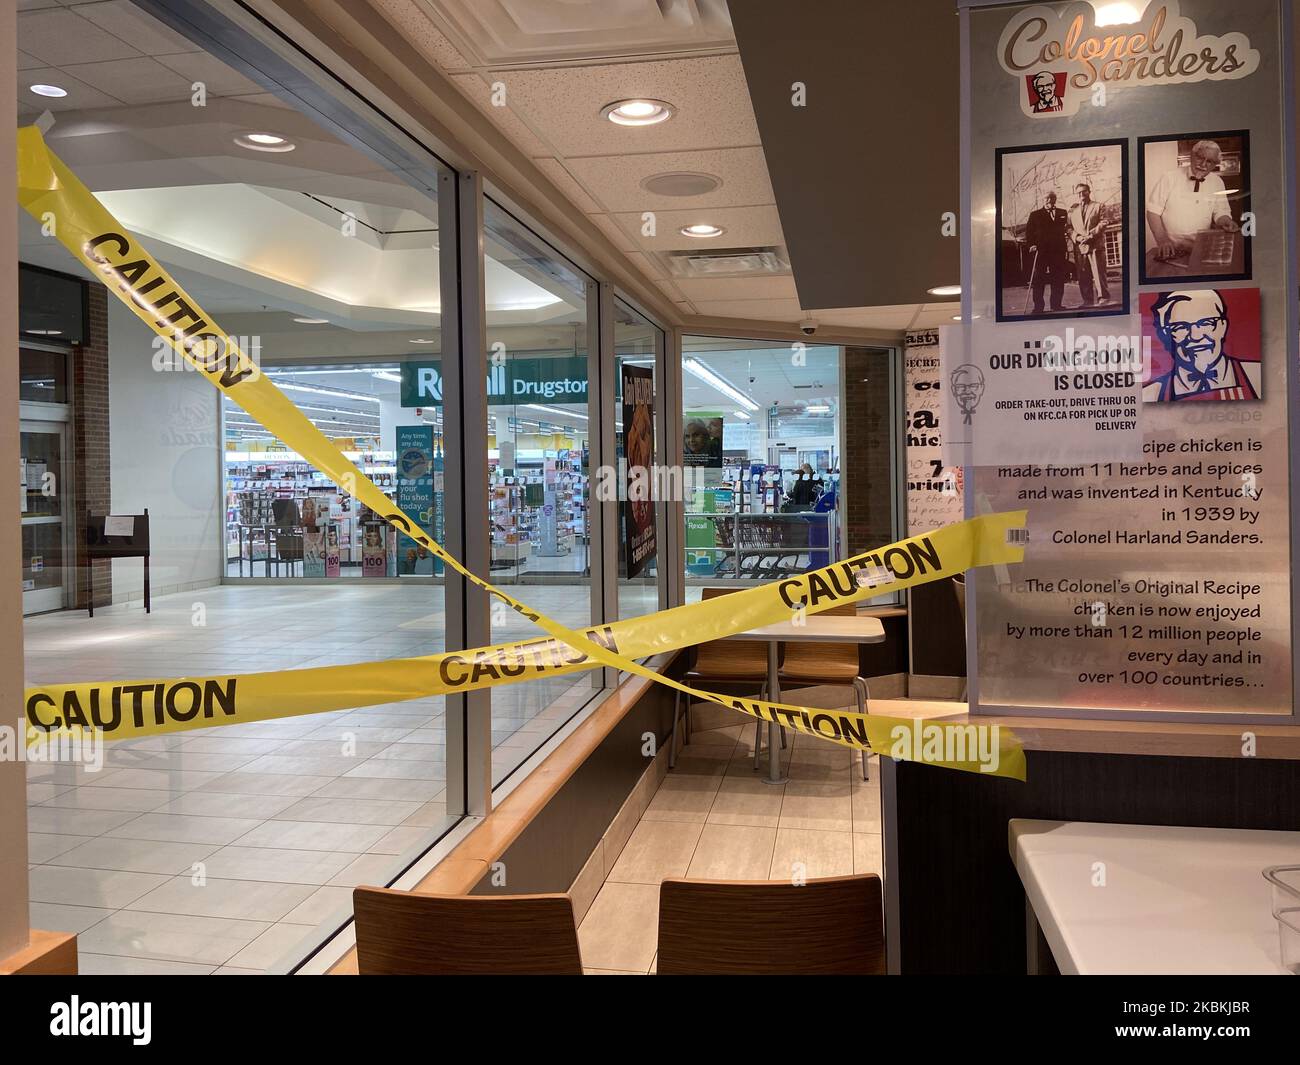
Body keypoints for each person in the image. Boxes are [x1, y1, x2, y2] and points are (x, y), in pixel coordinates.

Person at [1143, 290, 1260, 403]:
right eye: (1180, 327)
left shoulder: (1256, 375)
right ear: (1165, 335)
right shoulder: (1150, 394)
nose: (1195, 336)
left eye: (1206, 323)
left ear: (1223, 327)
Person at [1146, 139, 1238, 261]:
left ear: (1215, 164)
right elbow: (1153, 212)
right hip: (1172, 249)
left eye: (1209, 162)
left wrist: (1226, 221)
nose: (1203, 164)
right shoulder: (1169, 177)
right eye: (1200, 157)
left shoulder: (1217, 182)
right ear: (1192, 155)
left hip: (1203, 248)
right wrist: (1162, 240)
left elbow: (1220, 212)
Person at [1024, 190, 1070, 313]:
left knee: (1058, 278)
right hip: (1041, 252)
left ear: (1055, 199)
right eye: (1047, 198)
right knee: (1039, 279)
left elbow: (1067, 230)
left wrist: (1066, 250)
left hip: (1058, 252)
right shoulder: (1035, 214)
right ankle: (1038, 307)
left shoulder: (1063, 213)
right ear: (1043, 200)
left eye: (1052, 198)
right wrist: (1032, 244)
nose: (1049, 200)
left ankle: (1056, 305)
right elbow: (1029, 233)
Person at [1069, 182, 1111, 306]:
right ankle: (1087, 300)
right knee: (1083, 275)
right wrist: (1077, 237)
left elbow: (1104, 222)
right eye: (1079, 192)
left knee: (1099, 273)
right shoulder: (1072, 211)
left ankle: (1103, 298)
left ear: (1089, 192)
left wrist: (1090, 235)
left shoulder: (1099, 206)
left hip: (1095, 245)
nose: (1081, 194)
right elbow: (1068, 228)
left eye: (1084, 191)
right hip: (1080, 246)